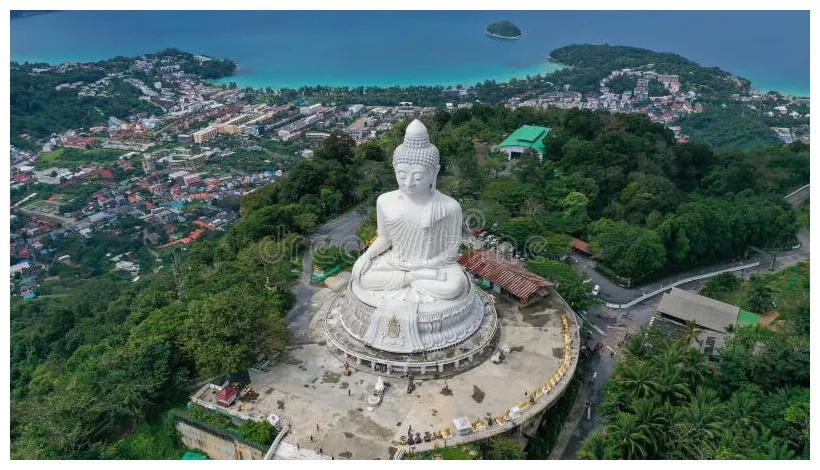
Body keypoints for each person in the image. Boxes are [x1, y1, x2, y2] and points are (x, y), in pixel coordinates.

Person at [351, 119, 469, 302]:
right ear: (395, 170)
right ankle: (412, 280)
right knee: (363, 276)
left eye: (418, 176)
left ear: (434, 172)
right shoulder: (385, 201)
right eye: (402, 175)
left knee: (453, 288)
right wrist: (367, 256)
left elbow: (451, 252)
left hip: (433, 266)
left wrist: (424, 265)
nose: (408, 183)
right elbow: (384, 238)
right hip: (396, 263)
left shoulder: (450, 207)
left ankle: (410, 279)